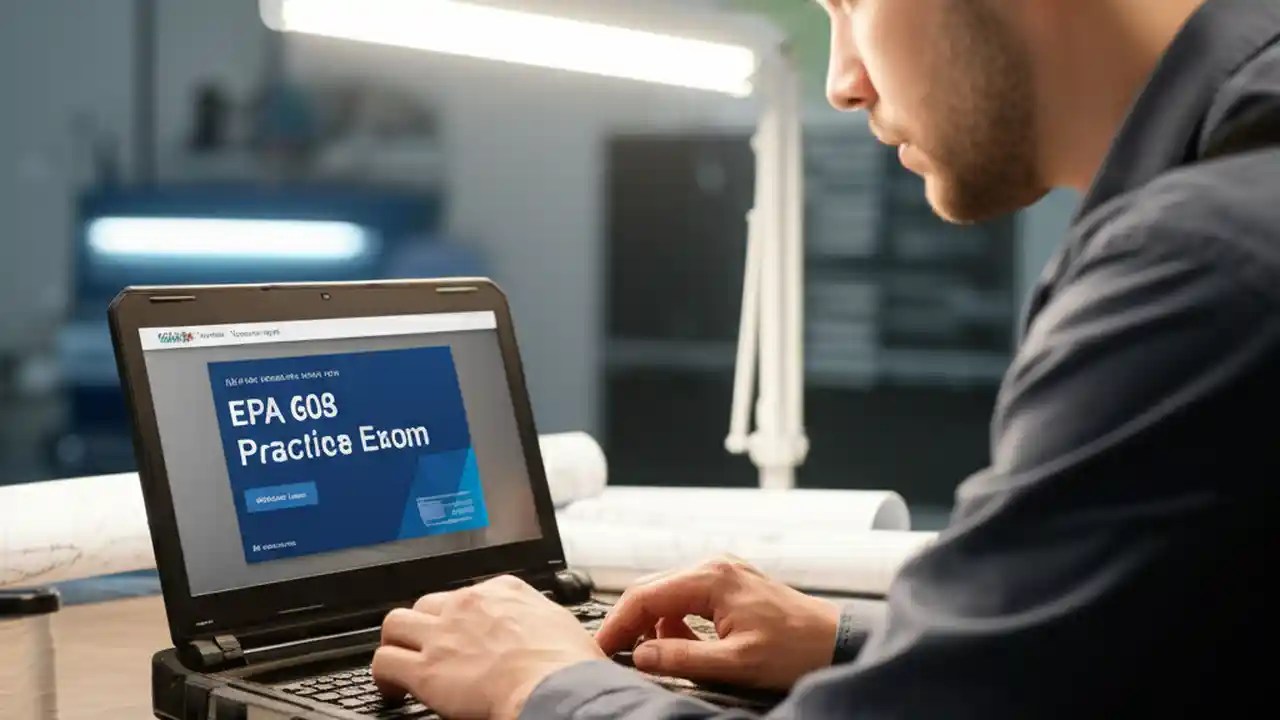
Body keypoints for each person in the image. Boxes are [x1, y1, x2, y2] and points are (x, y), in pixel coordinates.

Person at [371, 0, 1280, 717]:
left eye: (851, 3)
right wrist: (855, 638)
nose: (843, 81)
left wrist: (542, 684)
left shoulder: (1197, 268)